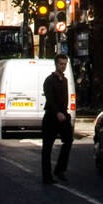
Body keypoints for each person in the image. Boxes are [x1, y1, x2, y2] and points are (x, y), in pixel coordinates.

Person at [41, 54, 73, 185]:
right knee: (47, 147)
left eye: (65, 64)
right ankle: (47, 177)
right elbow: (50, 99)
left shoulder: (64, 80)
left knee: (69, 141)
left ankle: (60, 169)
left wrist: (64, 113)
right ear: (56, 64)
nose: (63, 66)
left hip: (63, 115)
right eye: (61, 64)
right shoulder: (49, 80)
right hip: (51, 117)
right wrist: (57, 112)